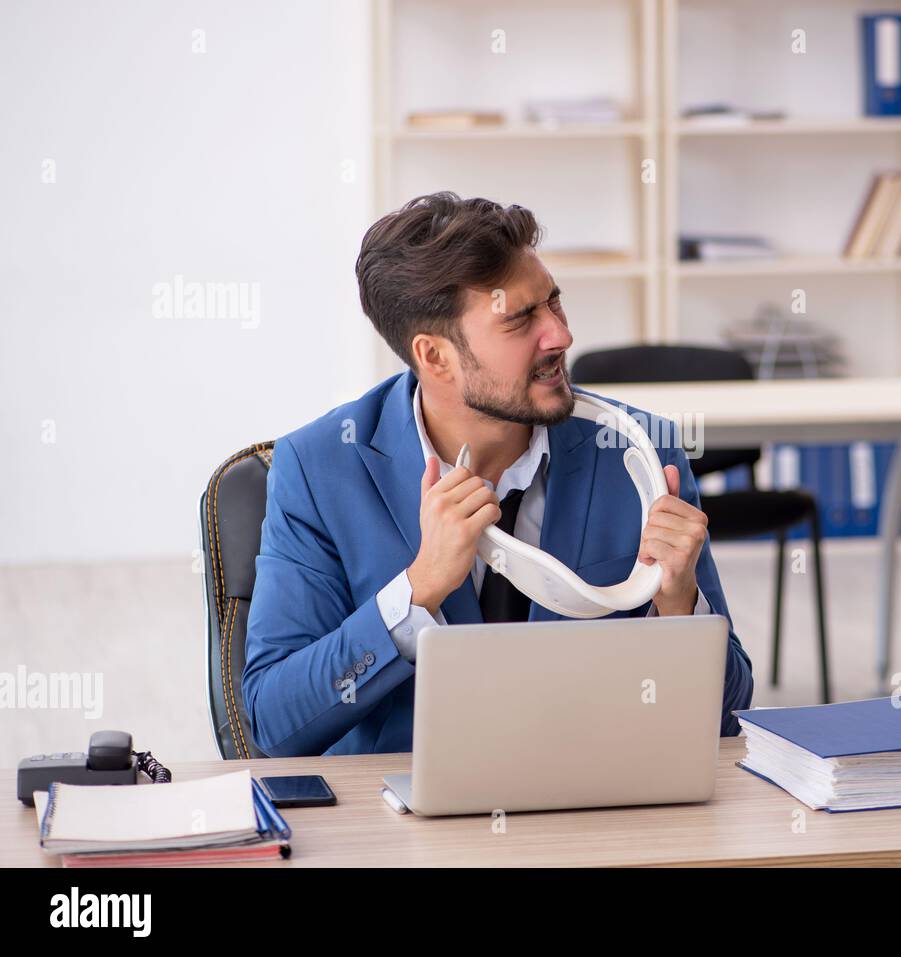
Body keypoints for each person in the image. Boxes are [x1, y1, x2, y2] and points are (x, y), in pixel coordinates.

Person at [243, 191, 754, 756]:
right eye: (520, 321)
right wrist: (418, 590)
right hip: (405, 824)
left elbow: (728, 721)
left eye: (554, 304)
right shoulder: (318, 469)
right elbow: (274, 723)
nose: (560, 335)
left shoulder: (639, 452)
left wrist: (679, 606)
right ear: (435, 357)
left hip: (598, 805)